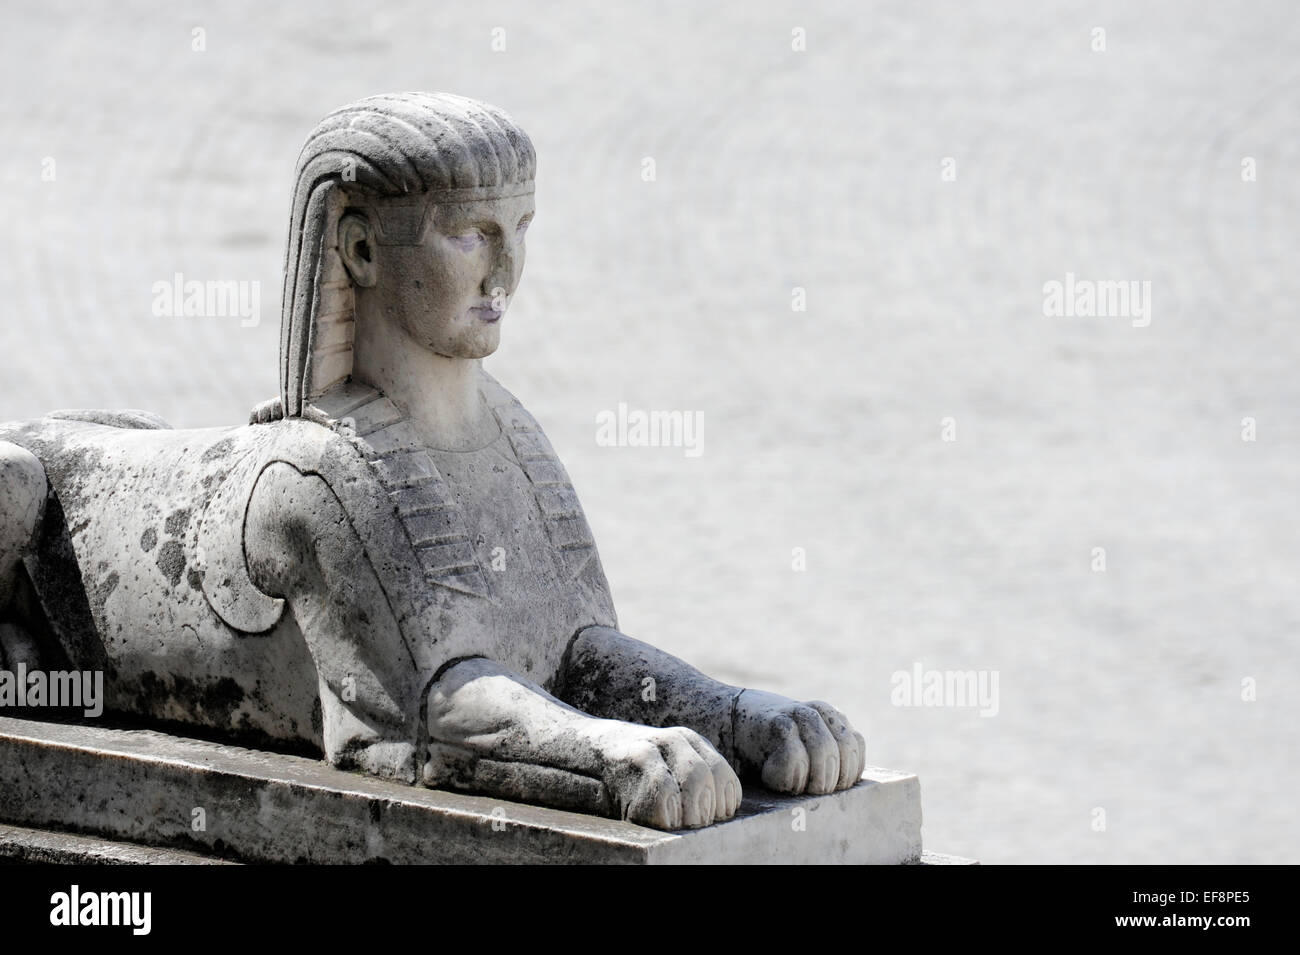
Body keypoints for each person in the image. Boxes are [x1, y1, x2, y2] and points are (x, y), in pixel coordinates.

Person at [0, 93, 864, 830]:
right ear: (364, 251)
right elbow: (429, 718)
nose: (508, 270)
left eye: (521, 228)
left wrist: (738, 712)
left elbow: (573, 652)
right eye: (469, 236)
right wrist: (612, 750)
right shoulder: (314, 478)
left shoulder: (513, 431)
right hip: (51, 518)